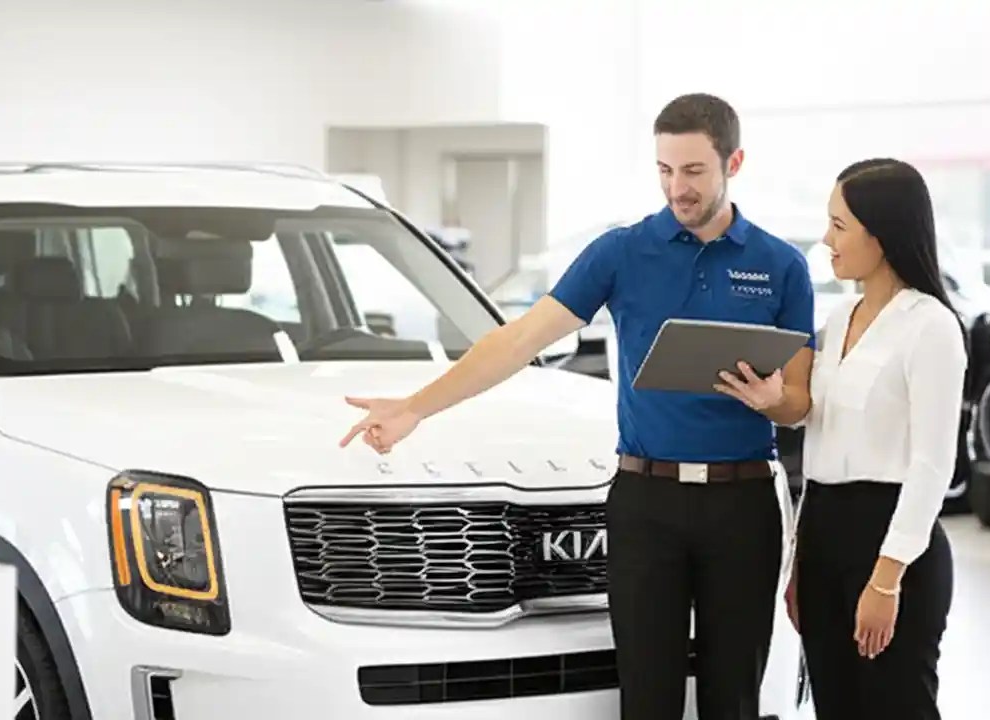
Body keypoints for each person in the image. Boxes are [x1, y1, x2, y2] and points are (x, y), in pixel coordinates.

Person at [339, 92, 816, 720]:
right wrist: (416, 408)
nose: (679, 187)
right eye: (666, 170)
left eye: (695, 171)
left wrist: (774, 399)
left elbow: (801, 404)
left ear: (735, 162)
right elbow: (518, 340)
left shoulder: (781, 266)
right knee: (647, 697)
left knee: (734, 699)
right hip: (647, 503)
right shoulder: (620, 253)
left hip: (744, 503)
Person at [781, 158, 965, 720]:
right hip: (824, 534)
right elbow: (821, 439)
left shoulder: (930, 326)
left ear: (879, 235)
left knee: (897, 706)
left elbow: (933, 466)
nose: (826, 239)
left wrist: (886, 580)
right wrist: (800, 563)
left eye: (839, 225)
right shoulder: (839, 318)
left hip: (890, 543)